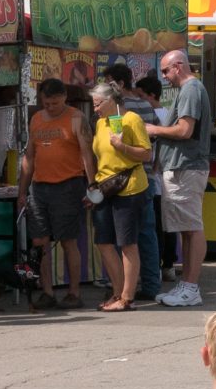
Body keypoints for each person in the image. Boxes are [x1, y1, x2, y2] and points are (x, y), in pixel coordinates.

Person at [147, 50, 215, 309]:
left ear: (178, 66)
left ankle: (191, 286)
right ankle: (187, 284)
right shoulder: (190, 90)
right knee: (186, 229)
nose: (164, 77)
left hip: (186, 166)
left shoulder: (190, 90)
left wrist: (154, 129)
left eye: (165, 71)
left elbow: (185, 130)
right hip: (182, 166)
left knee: (191, 227)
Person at [22, 78, 91, 310]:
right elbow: (29, 157)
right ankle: (47, 292)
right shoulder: (36, 119)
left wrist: (92, 185)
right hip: (40, 187)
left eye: (53, 103)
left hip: (69, 185)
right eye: (45, 103)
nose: (49, 107)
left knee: (68, 241)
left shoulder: (76, 118)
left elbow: (86, 155)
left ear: (64, 97)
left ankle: (73, 292)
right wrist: (23, 191)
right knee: (40, 241)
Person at [89, 80, 152, 312]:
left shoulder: (131, 119)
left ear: (111, 101)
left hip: (129, 187)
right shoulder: (100, 123)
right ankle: (117, 292)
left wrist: (122, 146)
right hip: (105, 187)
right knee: (104, 242)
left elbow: (146, 154)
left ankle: (127, 297)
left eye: (97, 104)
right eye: (93, 104)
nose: (95, 109)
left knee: (127, 243)